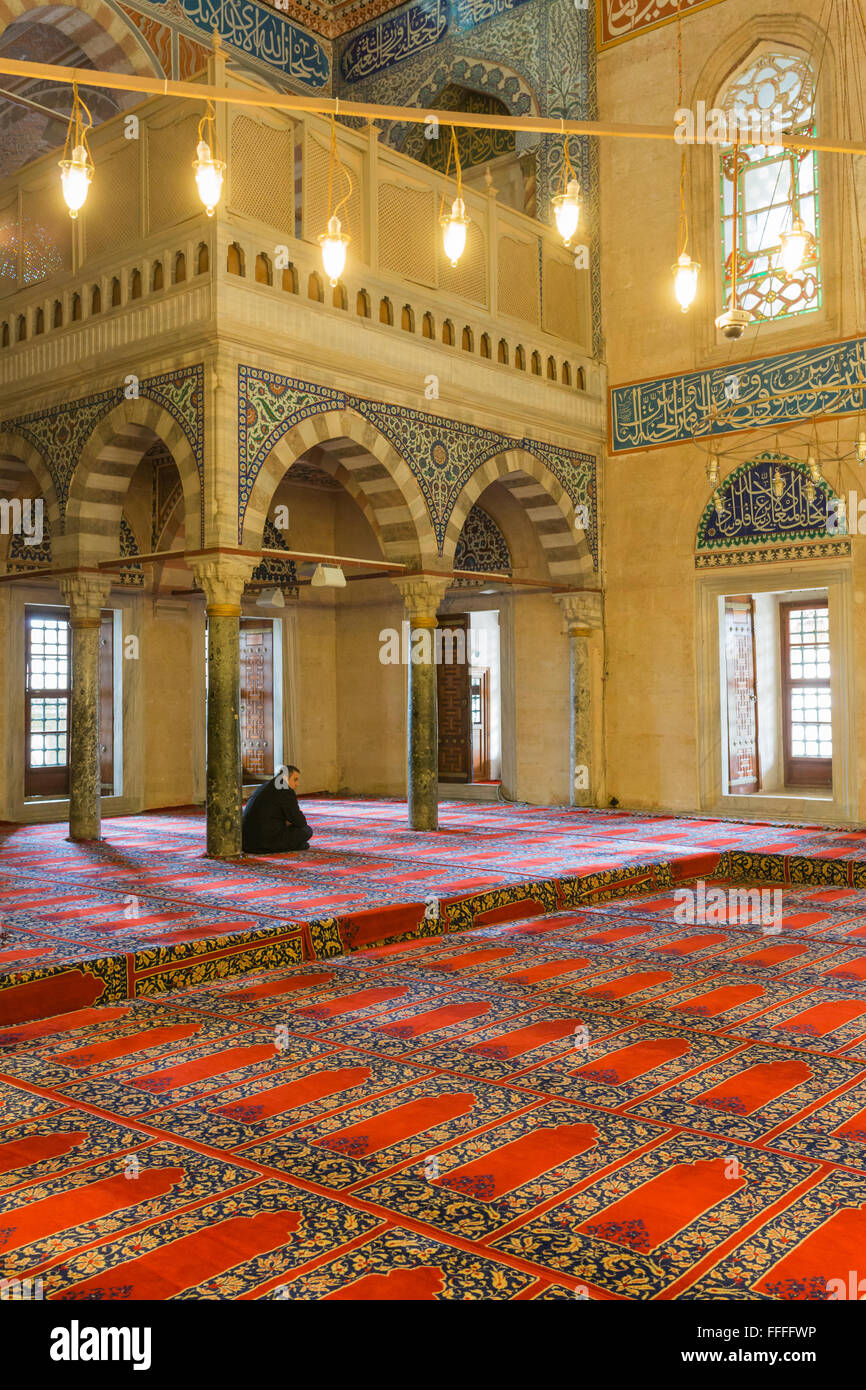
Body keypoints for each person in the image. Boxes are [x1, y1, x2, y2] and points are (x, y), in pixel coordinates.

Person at [241, 764, 313, 854]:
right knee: (306, 830)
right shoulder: (285, 791)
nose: (297, 784)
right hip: (264, 843)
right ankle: (294, 846)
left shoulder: (266, 786)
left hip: (247, 842)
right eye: (295, 780)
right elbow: (301, 822)